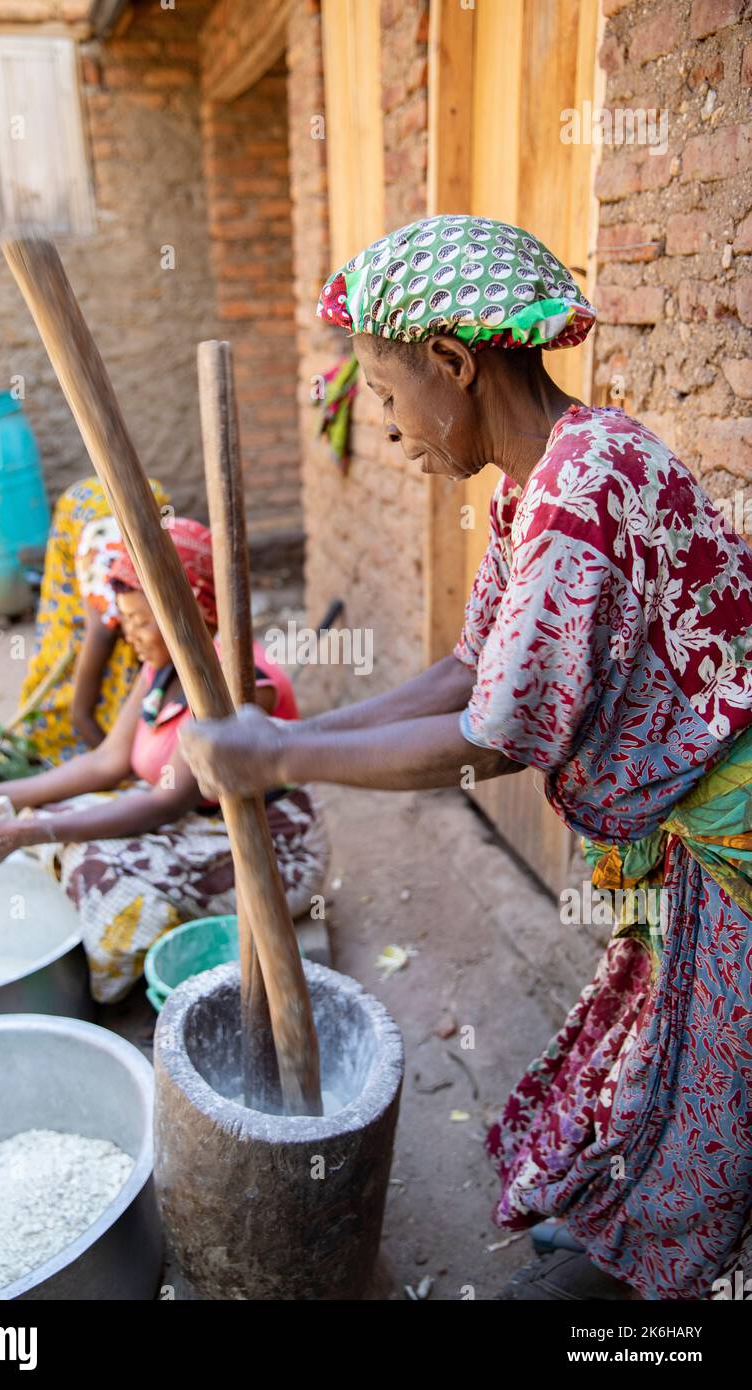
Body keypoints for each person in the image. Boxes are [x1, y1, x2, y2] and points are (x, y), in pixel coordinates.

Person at [178, 213, 752, 1303]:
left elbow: (488, 739)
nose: (390, 430)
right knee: (671, 1053)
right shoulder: (536, 484)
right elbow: (463, 671)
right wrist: (287, 741)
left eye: (390, 397)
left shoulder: (581, 494)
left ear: (453, 362)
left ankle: (647, 1285)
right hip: (692, 830)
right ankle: (628, 1227)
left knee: (716, 1089)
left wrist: (280, 762)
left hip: (733, 829)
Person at [0, 517, 328, 1004]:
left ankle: (120, 982)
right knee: (47, 823)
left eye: (139, 621)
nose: (128, 635)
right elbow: (106, 763)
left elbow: (165, 806)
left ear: (188, 611)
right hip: (196, 823)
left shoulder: (238, 683)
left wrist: (26, 832)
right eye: (125, 620)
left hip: (269, 845)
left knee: (91, 861)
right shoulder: (162, 663)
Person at [18, 475, 170, 761]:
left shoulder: (136, 510)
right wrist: (84, 719)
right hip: (87, 690)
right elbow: (103, 627)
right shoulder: (107, 528)